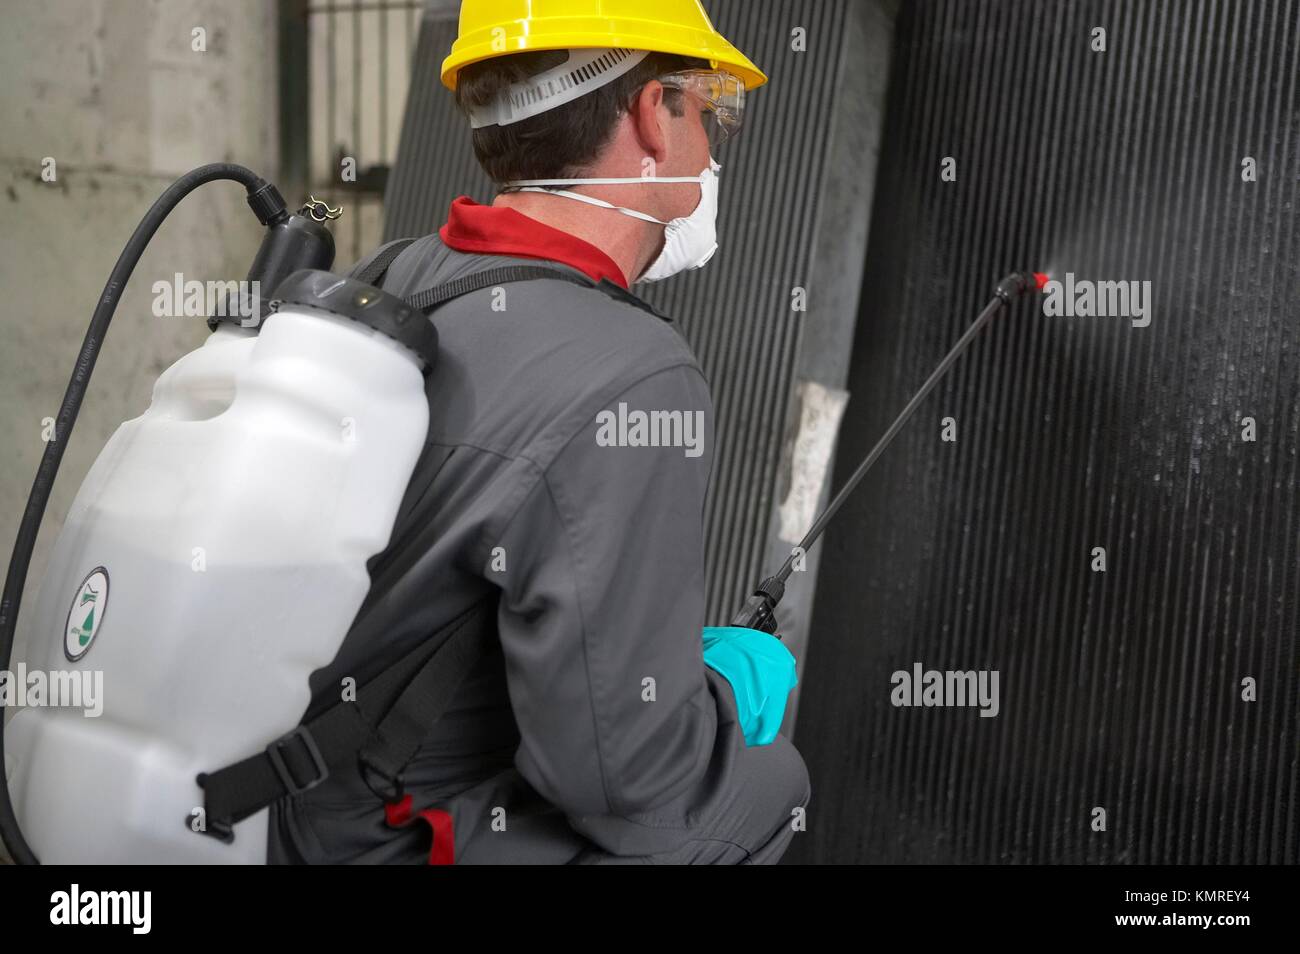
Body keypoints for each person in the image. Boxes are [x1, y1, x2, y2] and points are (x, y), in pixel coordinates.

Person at [269, 0, 809, 864]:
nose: (714, 149)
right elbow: (624, 780)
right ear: (651, 115)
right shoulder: (629, 370)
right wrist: (723, 695)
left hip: (276, 793)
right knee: (758, 793)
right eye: (709, 110)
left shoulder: (399, 272)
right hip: (376, 839)